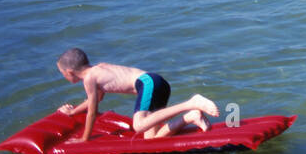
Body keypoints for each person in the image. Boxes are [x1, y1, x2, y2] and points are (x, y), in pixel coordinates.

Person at [55, 48, 218, 142]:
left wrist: (84, 139)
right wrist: (74, 111)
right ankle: (191, 117)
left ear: (69, 72)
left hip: (147, 84)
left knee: (138, 125)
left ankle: (191, 103)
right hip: (156, 82)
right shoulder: (99, 69)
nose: (63, 76)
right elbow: (97, 98)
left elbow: (92, 111)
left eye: (62, 73)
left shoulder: (89, 79)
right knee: (152, 140)